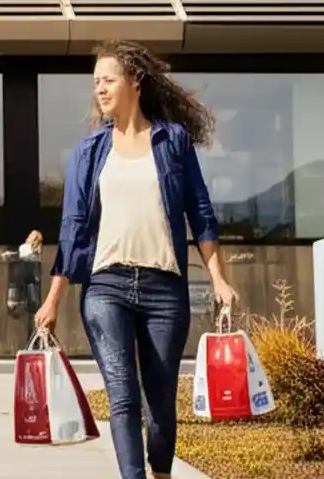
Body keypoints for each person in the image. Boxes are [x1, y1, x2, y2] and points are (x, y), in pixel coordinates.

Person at [33, 39, 239, 479]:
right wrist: (53, 298)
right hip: (106, 287)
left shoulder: (172, 141)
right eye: (96, 83)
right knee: (123, 396)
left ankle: (160, 473)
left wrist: (218, 278)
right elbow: (72, 227)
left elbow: (199, 211)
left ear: (136, 83)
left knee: (160, 402)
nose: (100, 90)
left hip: (165, 287)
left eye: (108, 80)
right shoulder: (89, 152)